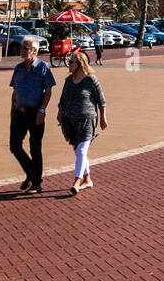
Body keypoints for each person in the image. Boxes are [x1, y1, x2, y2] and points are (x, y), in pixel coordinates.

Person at [57, 51, 107, 196]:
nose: (69, 64)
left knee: (81, 151)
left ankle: (77, 182)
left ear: (80, 64)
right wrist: (60, 113)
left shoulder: (91, 80)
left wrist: (103, 118)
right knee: (78, 152)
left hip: (87, 120)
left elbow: (101, 101)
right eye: (69, 61)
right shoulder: (68, 81)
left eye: (71, 62)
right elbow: (62, 100)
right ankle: (87, 179)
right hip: (70, 121)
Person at [9, 40, 56, 195]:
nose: (22, 51)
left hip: (35, 113)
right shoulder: (18, 68)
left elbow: (48, 91)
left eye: (26, 48)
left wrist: (42, 111)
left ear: (35, 51)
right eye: (22, 48)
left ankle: (36, 183)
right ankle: (31, 173)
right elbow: (15, 91)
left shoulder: (43, 67)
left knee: (35, 148)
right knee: (14, 146)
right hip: (19, 112)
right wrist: (12, 111)